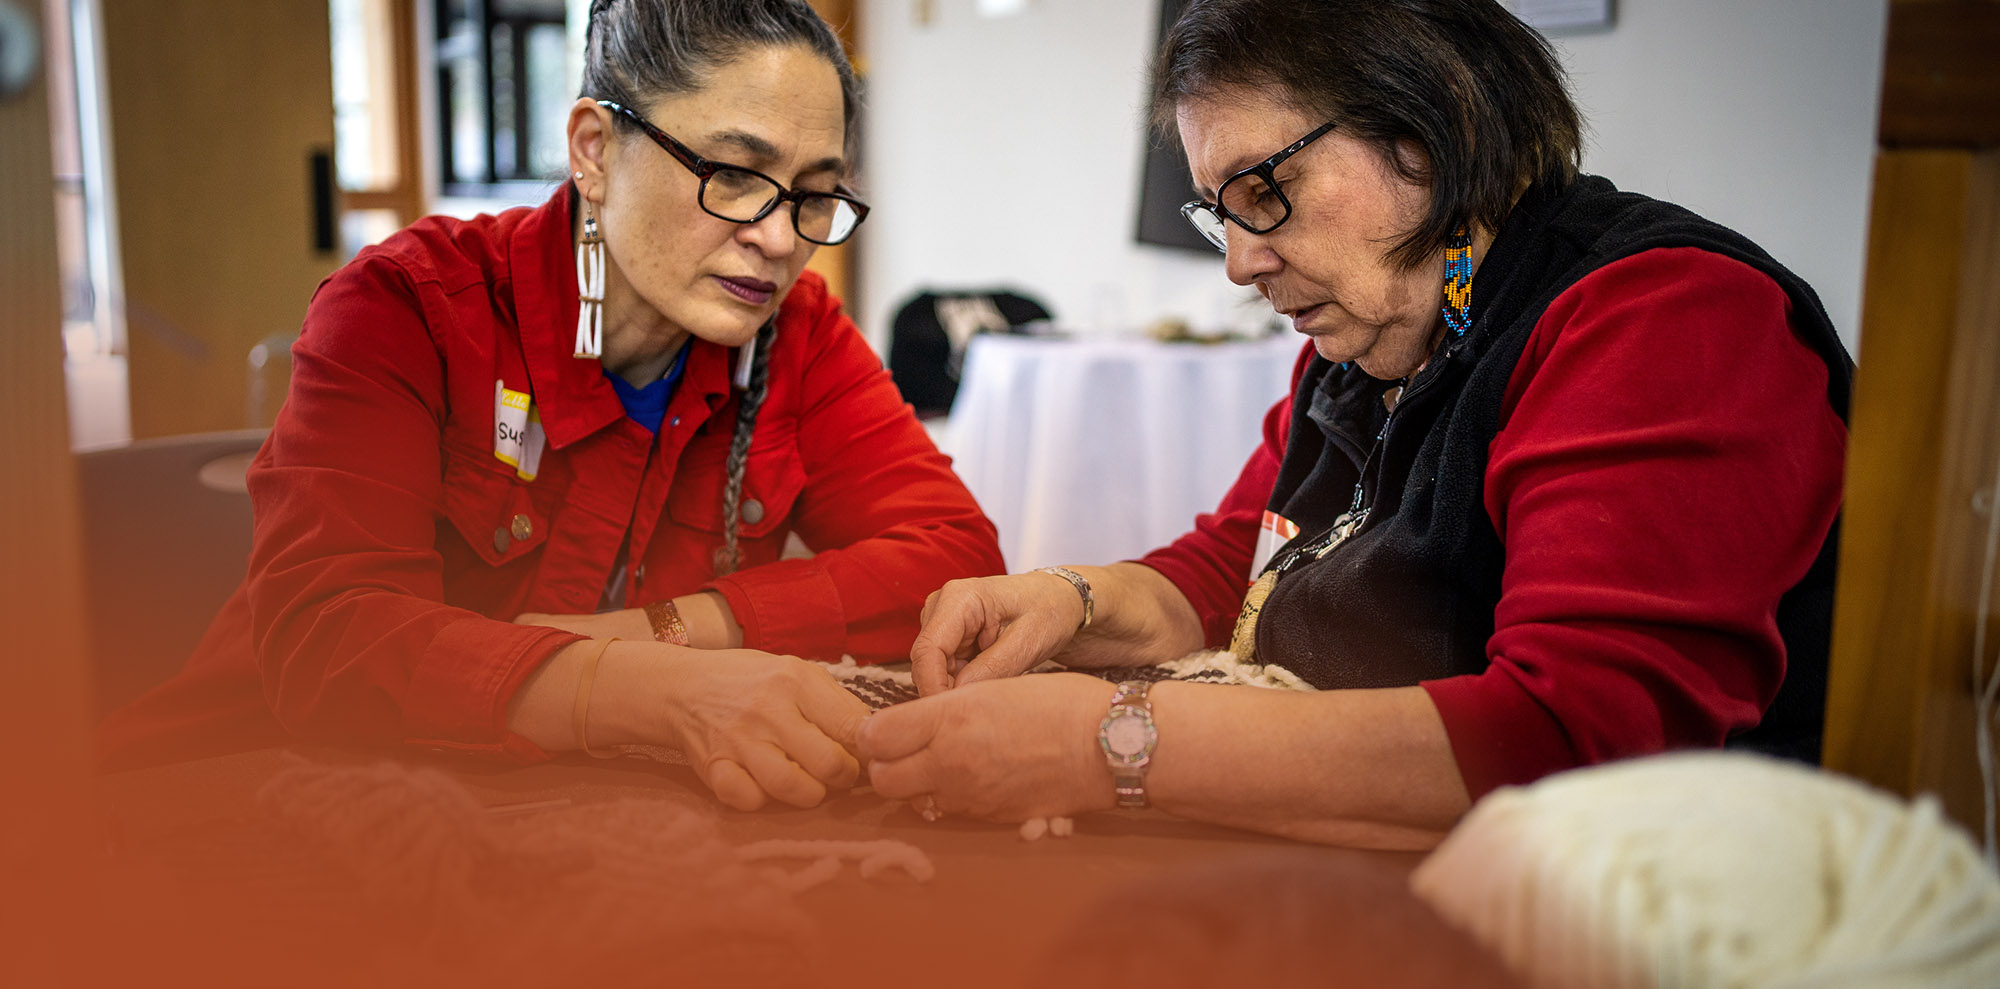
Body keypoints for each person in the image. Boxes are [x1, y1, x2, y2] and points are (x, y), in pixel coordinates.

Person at [859, 0, 1851, 848]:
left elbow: (1569, 744)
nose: (1239, 265)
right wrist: (1069, 598)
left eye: (1265, 193)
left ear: (1423, 129)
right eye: (1220, 212)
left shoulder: (1666, 318)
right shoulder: (1377, 332)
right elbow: (1235, 570)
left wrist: (1110, 740)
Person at [100, 0, 1005, 812]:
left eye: (814, 194)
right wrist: (660, 689)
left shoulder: (795, 335)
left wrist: (665, 631)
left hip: (559, 818)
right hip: (252, 802)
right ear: (594, 150)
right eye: (733, 172)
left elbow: (954, 555)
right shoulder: (408, 308)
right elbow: (332, 637)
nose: (776, 238)